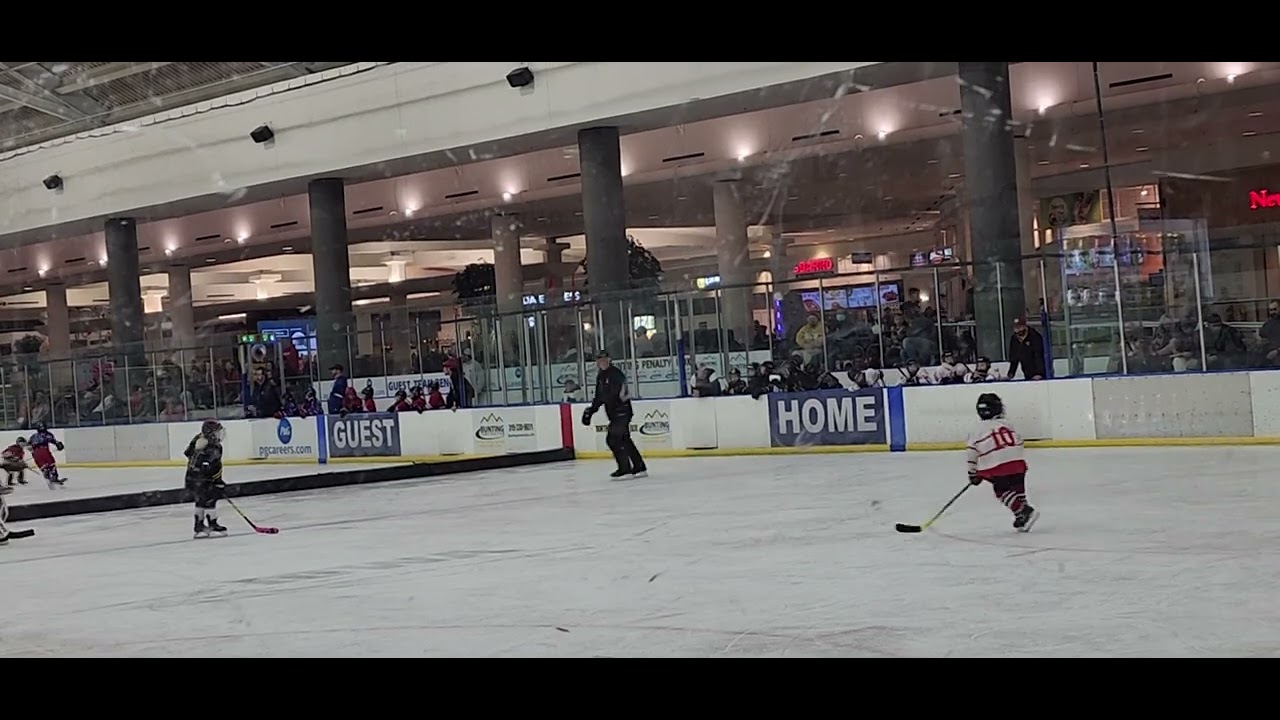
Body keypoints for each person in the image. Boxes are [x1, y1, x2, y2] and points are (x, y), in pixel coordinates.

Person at [966, 393, 1039, 532]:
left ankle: (1024, 511)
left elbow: (971, 452)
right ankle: (1021, 516)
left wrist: (972, 472)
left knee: (1002, 491)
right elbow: (1019, 441)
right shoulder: (1007, 424)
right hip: (1018, 462)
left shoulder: (976, 430)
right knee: (1017, 489)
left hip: (999, 465)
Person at [582, 350, 647, 480]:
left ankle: (625, 468)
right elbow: (599, 396)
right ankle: (639, 466)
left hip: (622, 411)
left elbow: (614, 394)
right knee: (624, 439)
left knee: (613, 439)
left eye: (604, 359)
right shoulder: (601, 376)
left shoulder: (615, 374)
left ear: (609, 359)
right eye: (599, 360)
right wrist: (591, 410)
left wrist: (602, 404)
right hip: (614, 413)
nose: (601, 362)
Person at [184, 419, 228, 538]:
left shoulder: (197, 440)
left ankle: (199, 526)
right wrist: (217, 481)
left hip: (192, 478)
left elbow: (188, 453)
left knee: (200, 500)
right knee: (210, 500)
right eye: (216, 432)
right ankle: (213, 525)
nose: (219, 435)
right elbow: (211, 467)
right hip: (204, 480)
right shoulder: (213, 447)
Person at [28, 422, 65, 487]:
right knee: (51, 463)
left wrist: (33, 453)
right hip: (44, 450)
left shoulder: (33, 436)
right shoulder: (47, 434)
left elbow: (29, 446)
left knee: (44, 467)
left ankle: (48, 479)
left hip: (36, 453)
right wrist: (58, 445)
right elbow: (54, 441)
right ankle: (54, 477)